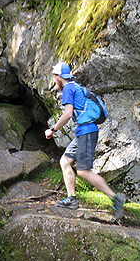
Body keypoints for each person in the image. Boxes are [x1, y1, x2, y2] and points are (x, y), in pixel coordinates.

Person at [45, 62, 125, 219]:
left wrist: (53, 130)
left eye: (54, 77)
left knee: (83, 171)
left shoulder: (68, 88)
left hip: (86, 132)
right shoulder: (74, 86)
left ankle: (115, 198)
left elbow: (68, 114)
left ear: (59, 76)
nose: (54, 80)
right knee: (65, 162)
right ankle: (72, 199)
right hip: (82, 132)